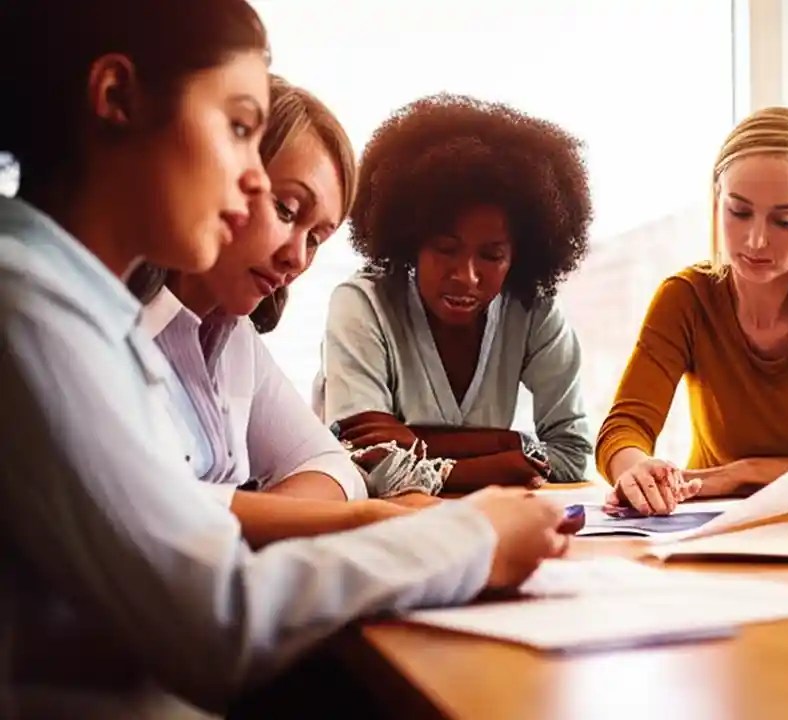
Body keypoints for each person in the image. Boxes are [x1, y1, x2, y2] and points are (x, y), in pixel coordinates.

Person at [0, 3, 568, 716]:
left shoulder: (84, 313)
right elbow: (217, 616)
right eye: (240, 128)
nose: (252, 183)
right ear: (116, 98)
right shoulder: (27, 310)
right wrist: (469, 536)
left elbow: (205, 539)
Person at [127, 75, 448, 550]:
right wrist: (370, 521)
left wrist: (253, 522)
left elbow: (333, 466)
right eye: (286, 209)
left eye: (317, 237)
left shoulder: (234, 339)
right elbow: (146, 508)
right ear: (218, 172)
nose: (297, 258)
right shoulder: (106, 330)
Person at [596, 106, 788, 516]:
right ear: (717, 200)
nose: (756, 240)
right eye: (739, 212)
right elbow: (623, 429)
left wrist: (740, 474)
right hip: (709, 519)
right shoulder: (685, 298)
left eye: (784, 221)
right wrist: (636, 470)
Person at [322, 93, 594, 489]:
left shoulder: (533, 311)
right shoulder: (363, 304)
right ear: (411, 239)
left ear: (520, 254)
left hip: (495, 532)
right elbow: (366, 465)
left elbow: (571, 455)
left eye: (491, 255)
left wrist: (419, 445)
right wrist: (503, 456)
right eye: (445, 249)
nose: (467, 276)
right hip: (385, 534)